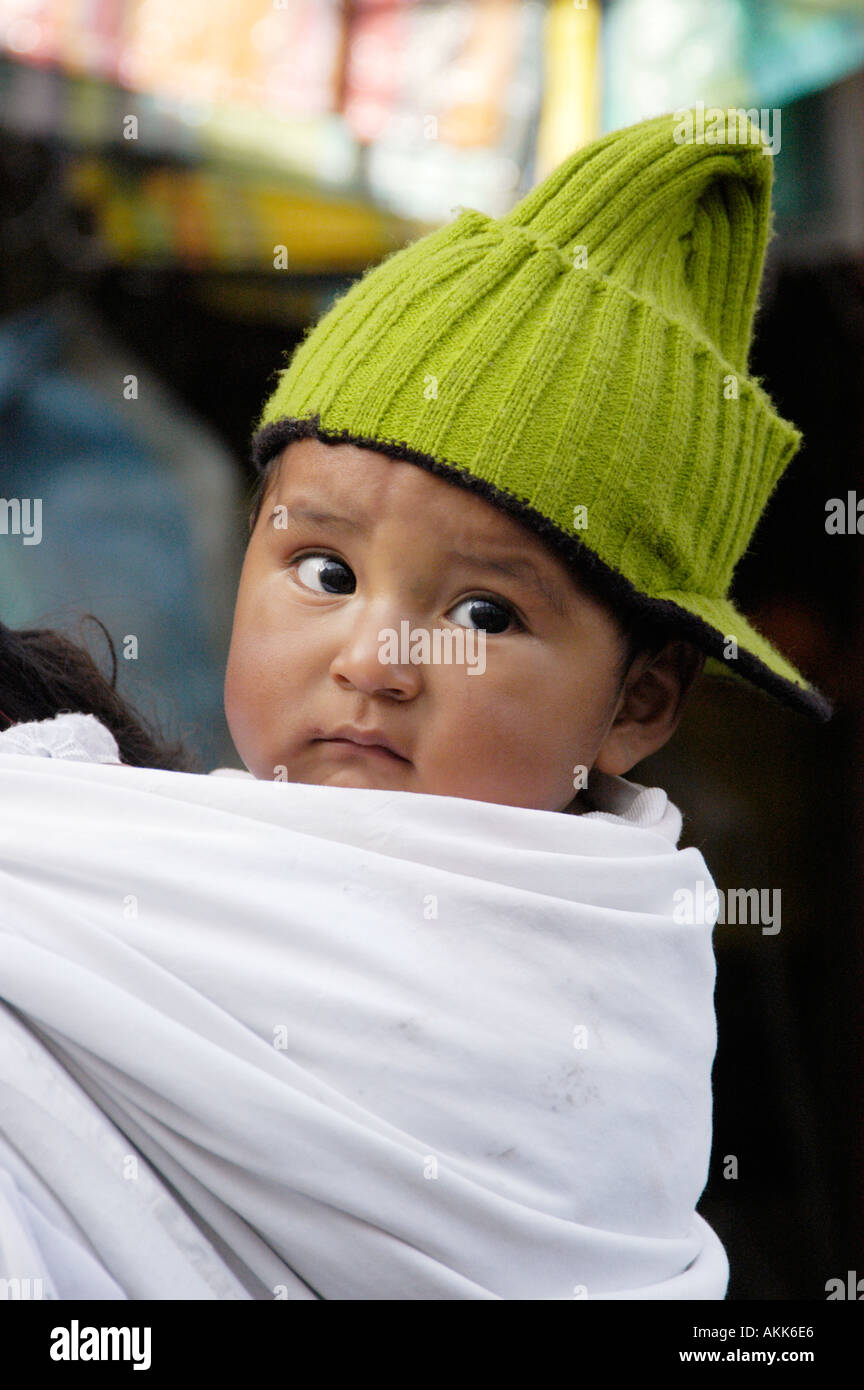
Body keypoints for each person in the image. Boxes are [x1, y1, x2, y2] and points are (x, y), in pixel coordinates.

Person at [0, 107, 833, 1302]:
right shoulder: (108, 860)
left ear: (640, 701)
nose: (375, 657)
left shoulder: (599, 985)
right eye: (325, 573)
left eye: (485, 614)